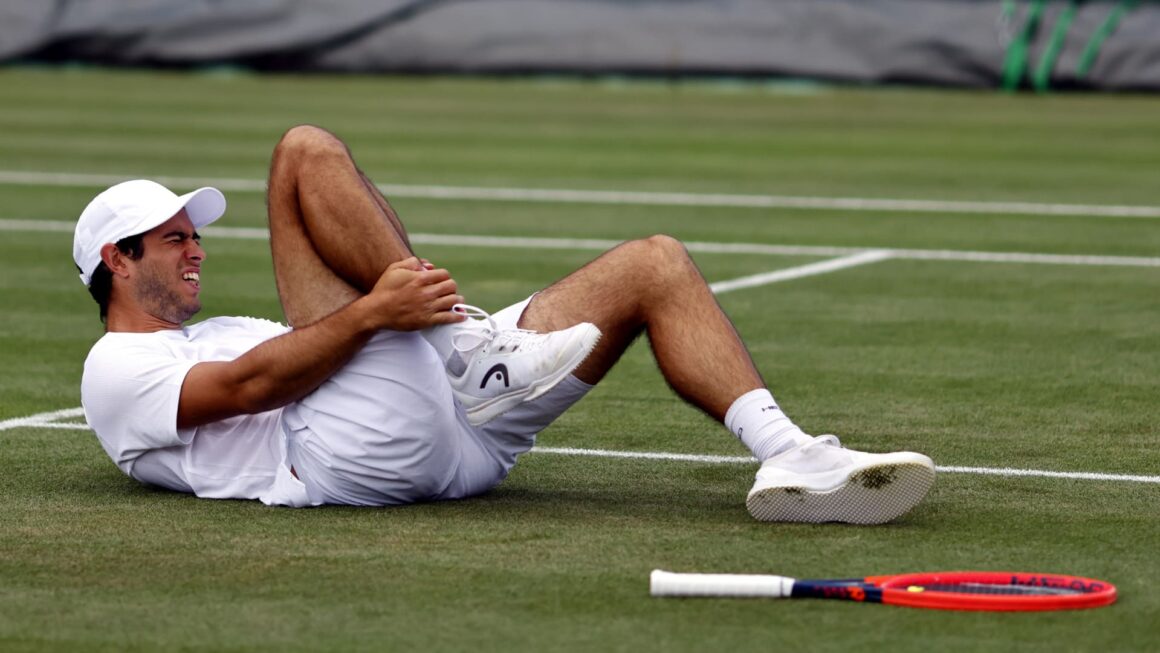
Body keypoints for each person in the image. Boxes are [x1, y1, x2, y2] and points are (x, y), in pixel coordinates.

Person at [73, 125, 935, 524]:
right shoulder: (112, 367)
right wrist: (377, 311)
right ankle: (465, 348)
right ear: (118, 258)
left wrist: (381, 312)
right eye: (175, 237)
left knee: (654, 262)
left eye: (194, 235)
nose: (196, 248)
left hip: (460, 443)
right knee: (302, 152)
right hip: (340, 462)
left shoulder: (216, 323)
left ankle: (791, 453)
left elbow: (315, 349)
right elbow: (252, 385)